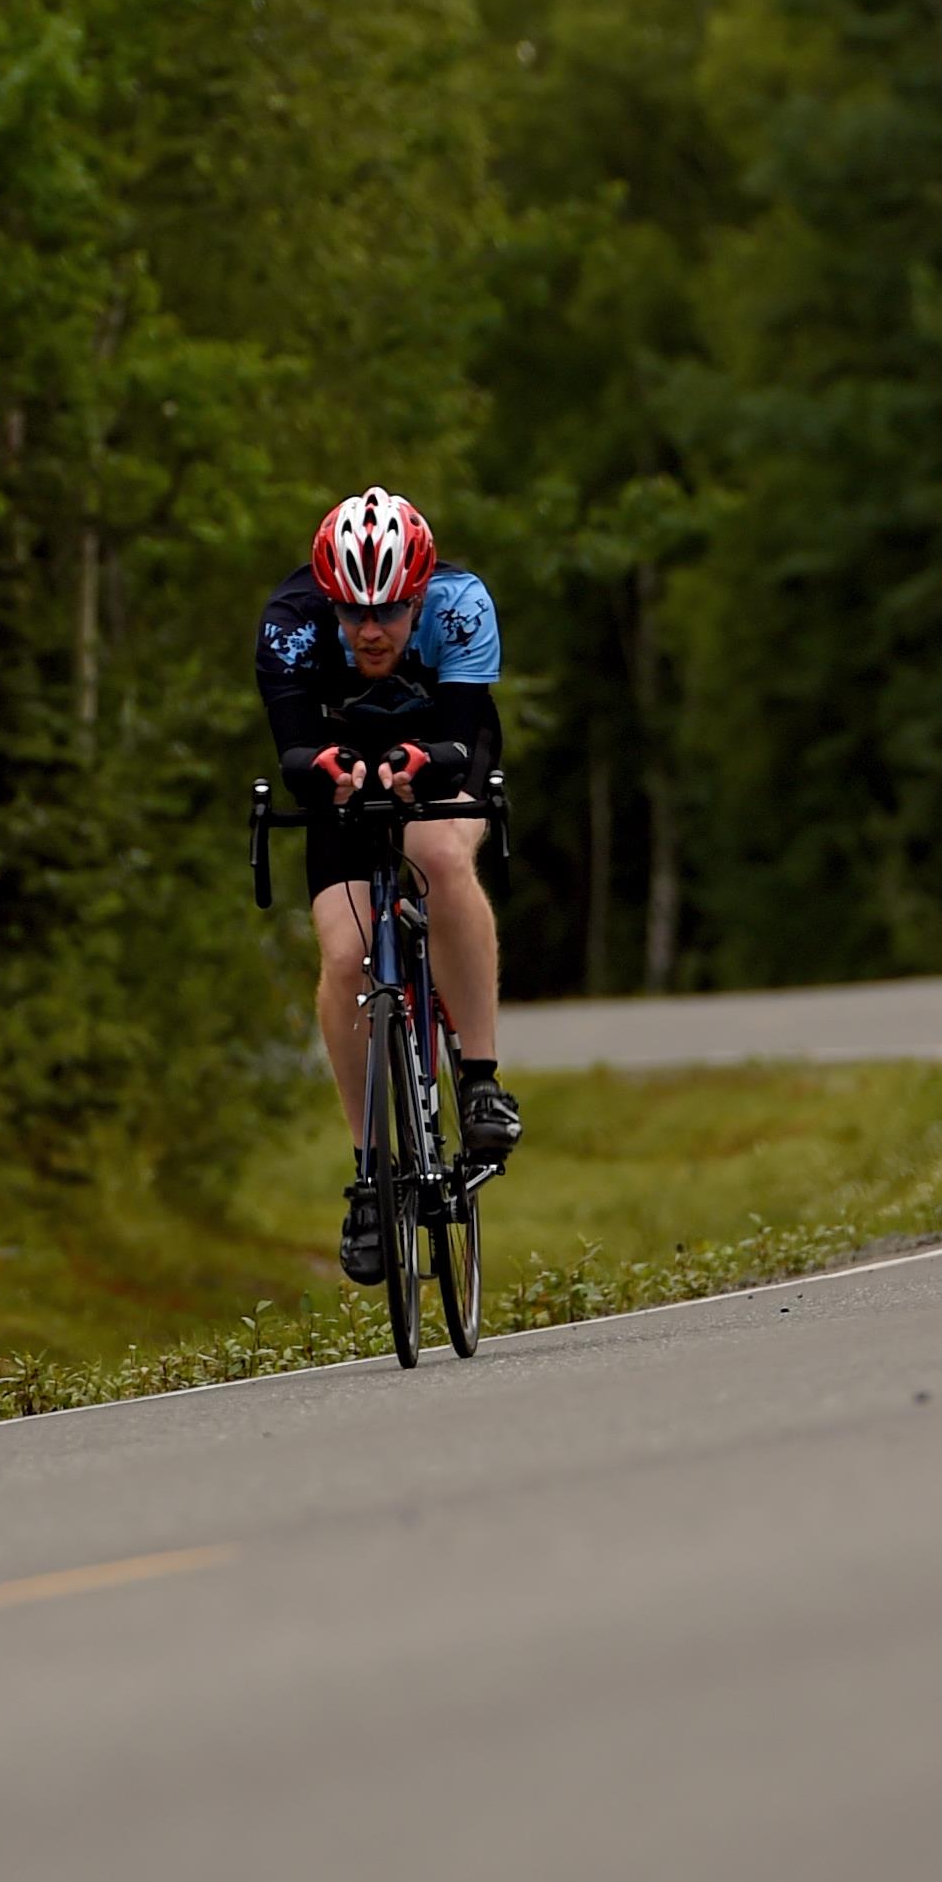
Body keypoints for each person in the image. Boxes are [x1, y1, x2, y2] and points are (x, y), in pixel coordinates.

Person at [256, 486, 523, 1284]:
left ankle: (478, 1081)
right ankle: (370, 1172)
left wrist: (426, 768)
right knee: (344, 958)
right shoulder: (290, 622)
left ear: (421, 595)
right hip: (341, 768)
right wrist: (323, 770)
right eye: (353, 613)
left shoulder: (461, 606)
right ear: (328, 600)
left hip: (440, 751)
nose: (370, 631)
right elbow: (296, 752)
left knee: (439, 855)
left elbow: (464, 731)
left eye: (390, 613)